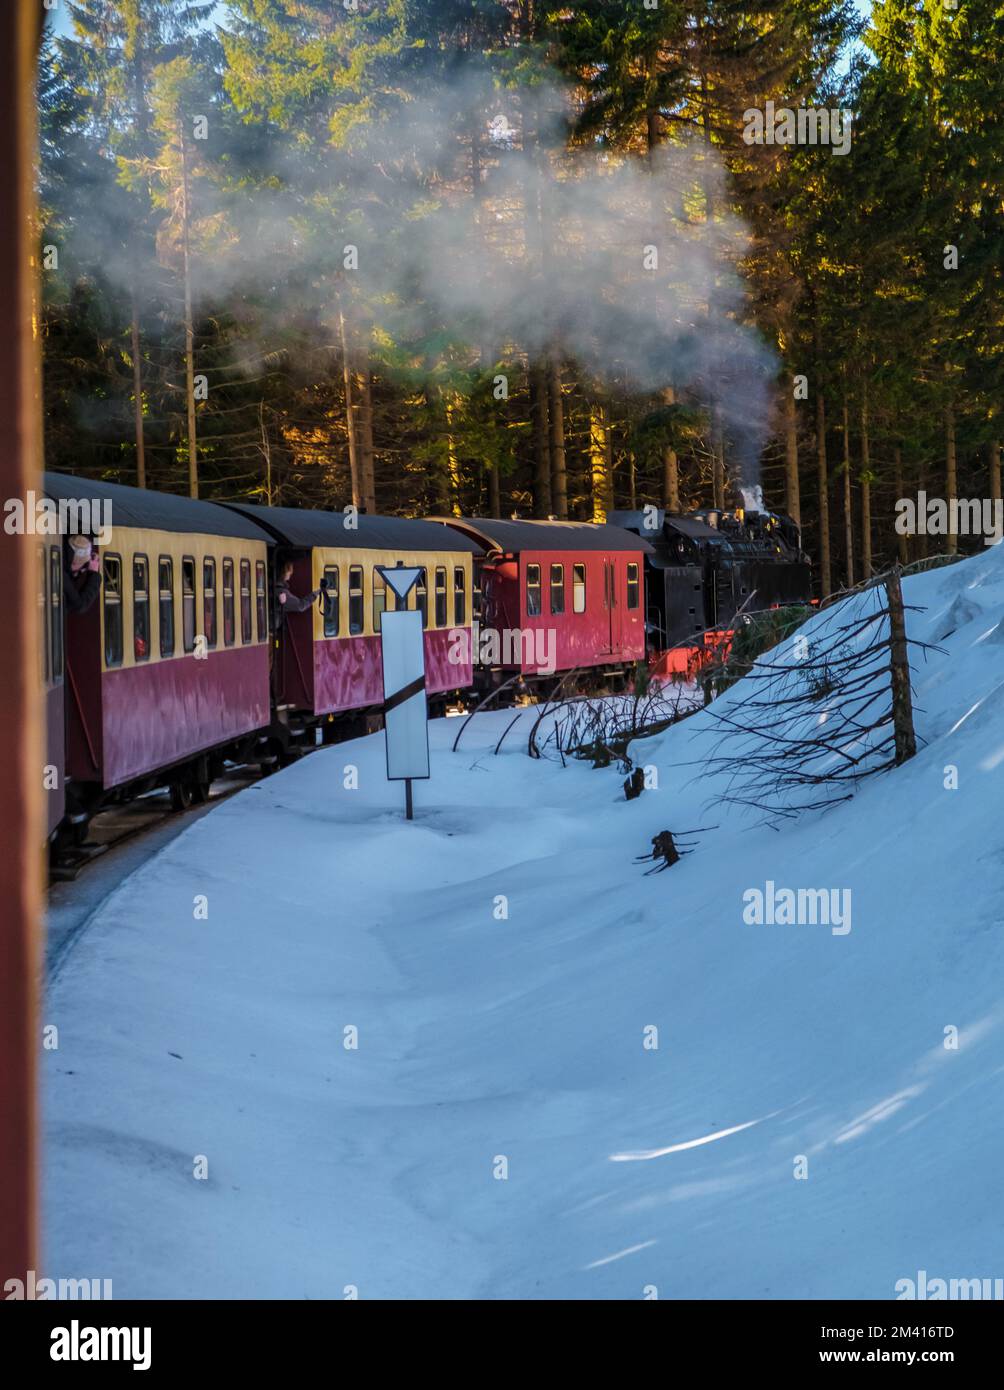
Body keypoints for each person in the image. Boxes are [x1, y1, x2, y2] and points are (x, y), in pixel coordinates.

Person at [274, 559, 320, 625]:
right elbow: (300, 606)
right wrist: (315, 594)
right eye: (289, 573)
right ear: (284, 572)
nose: (290, 576)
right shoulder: (281, 592)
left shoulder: (276, 587)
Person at [63, 535, 101, 615]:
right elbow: (80, 605)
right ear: (75, 563)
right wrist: (93, 575)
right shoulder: (63, 576)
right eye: (84, 563)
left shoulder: (62, 566)